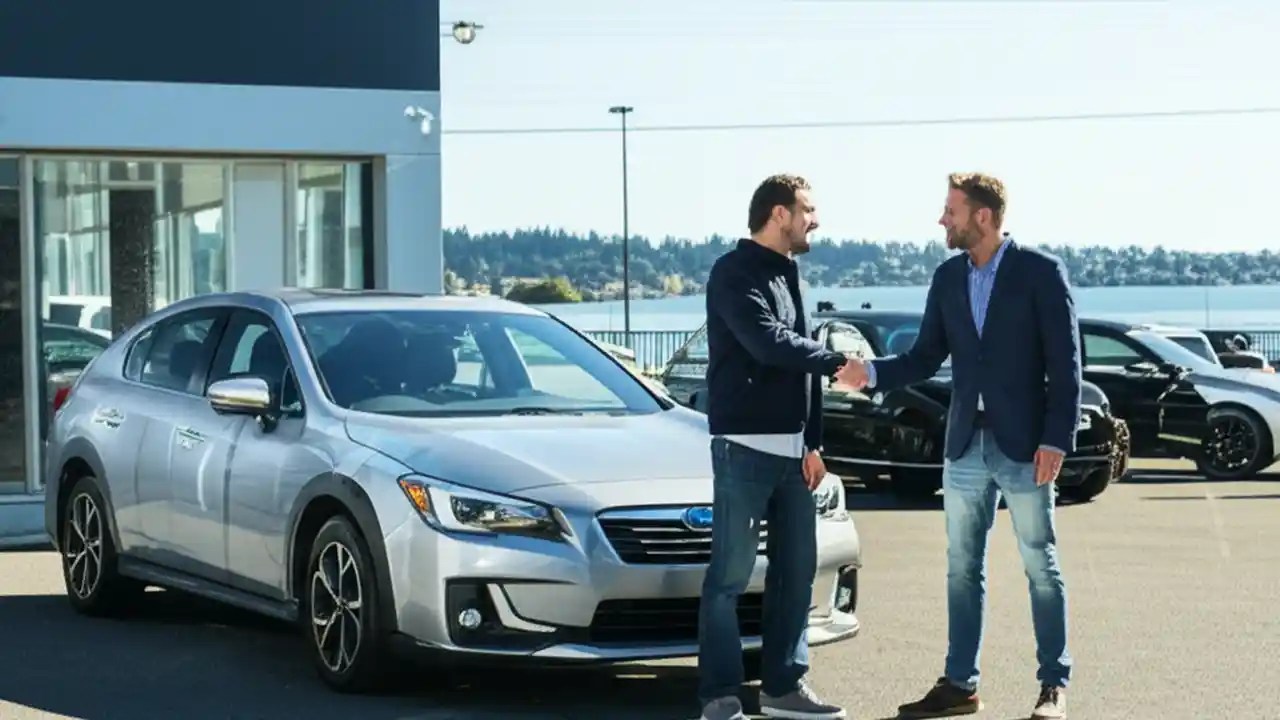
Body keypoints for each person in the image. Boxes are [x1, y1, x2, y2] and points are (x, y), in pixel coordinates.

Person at [842, 172, 1079, 720]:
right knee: (961, 569)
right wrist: (870, 373)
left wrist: (1056, 439)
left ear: (983, 216)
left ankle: (1053, 685)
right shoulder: (948, 277)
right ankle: (960, 684)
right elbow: (924, 356)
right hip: (964, 445)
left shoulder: (1041, 272)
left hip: (1025, 447)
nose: (942, 220)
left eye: (951, 211)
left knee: (1040, 566)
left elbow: (1066, 365)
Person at [697, 174, 859, 720]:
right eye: (808, 210)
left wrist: (813, 441)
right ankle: (720, 696)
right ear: (778, 214)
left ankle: (783, 688)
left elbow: (801, 367)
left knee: (796, 575)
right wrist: (837, 361)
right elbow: (767, 343)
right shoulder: (733, 272)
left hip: (795, 456)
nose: (815, 220)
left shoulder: (790, 274)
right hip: (743, 449)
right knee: (729, 577)